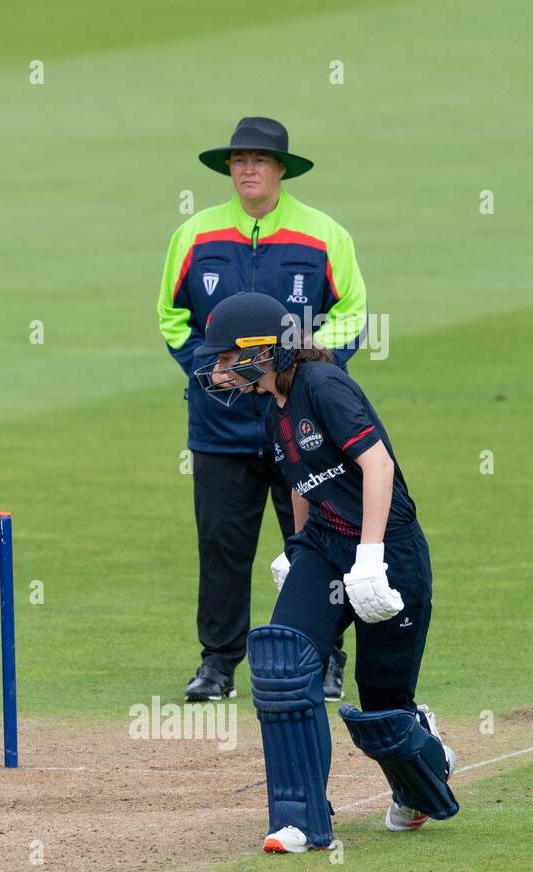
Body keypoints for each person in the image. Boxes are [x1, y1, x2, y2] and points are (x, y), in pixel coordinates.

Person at [195, 291, 457, 853]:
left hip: (388, 550)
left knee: (384, 706)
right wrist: (296, 547)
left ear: (263, 351)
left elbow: (377, 464)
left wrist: (369, 558)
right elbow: (301, 475)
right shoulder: (274, 402)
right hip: (323, 545)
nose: (215, 369)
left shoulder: (324, 385)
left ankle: (421, 764)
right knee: (282, 661)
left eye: (223, 358)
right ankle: (300, 819)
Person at [158, 117, 368, 704]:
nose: (248, 169)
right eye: (239, 160)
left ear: (281, 169)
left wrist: (308, 371)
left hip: (300, 420)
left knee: (317, 539)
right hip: (219, 422)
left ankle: (322, 655)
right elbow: (172, 315)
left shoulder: (324, 235)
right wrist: (210, 372)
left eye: (259, 160)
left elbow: (351, 311)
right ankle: (219, 664)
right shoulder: (195, 235)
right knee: (222, 544)